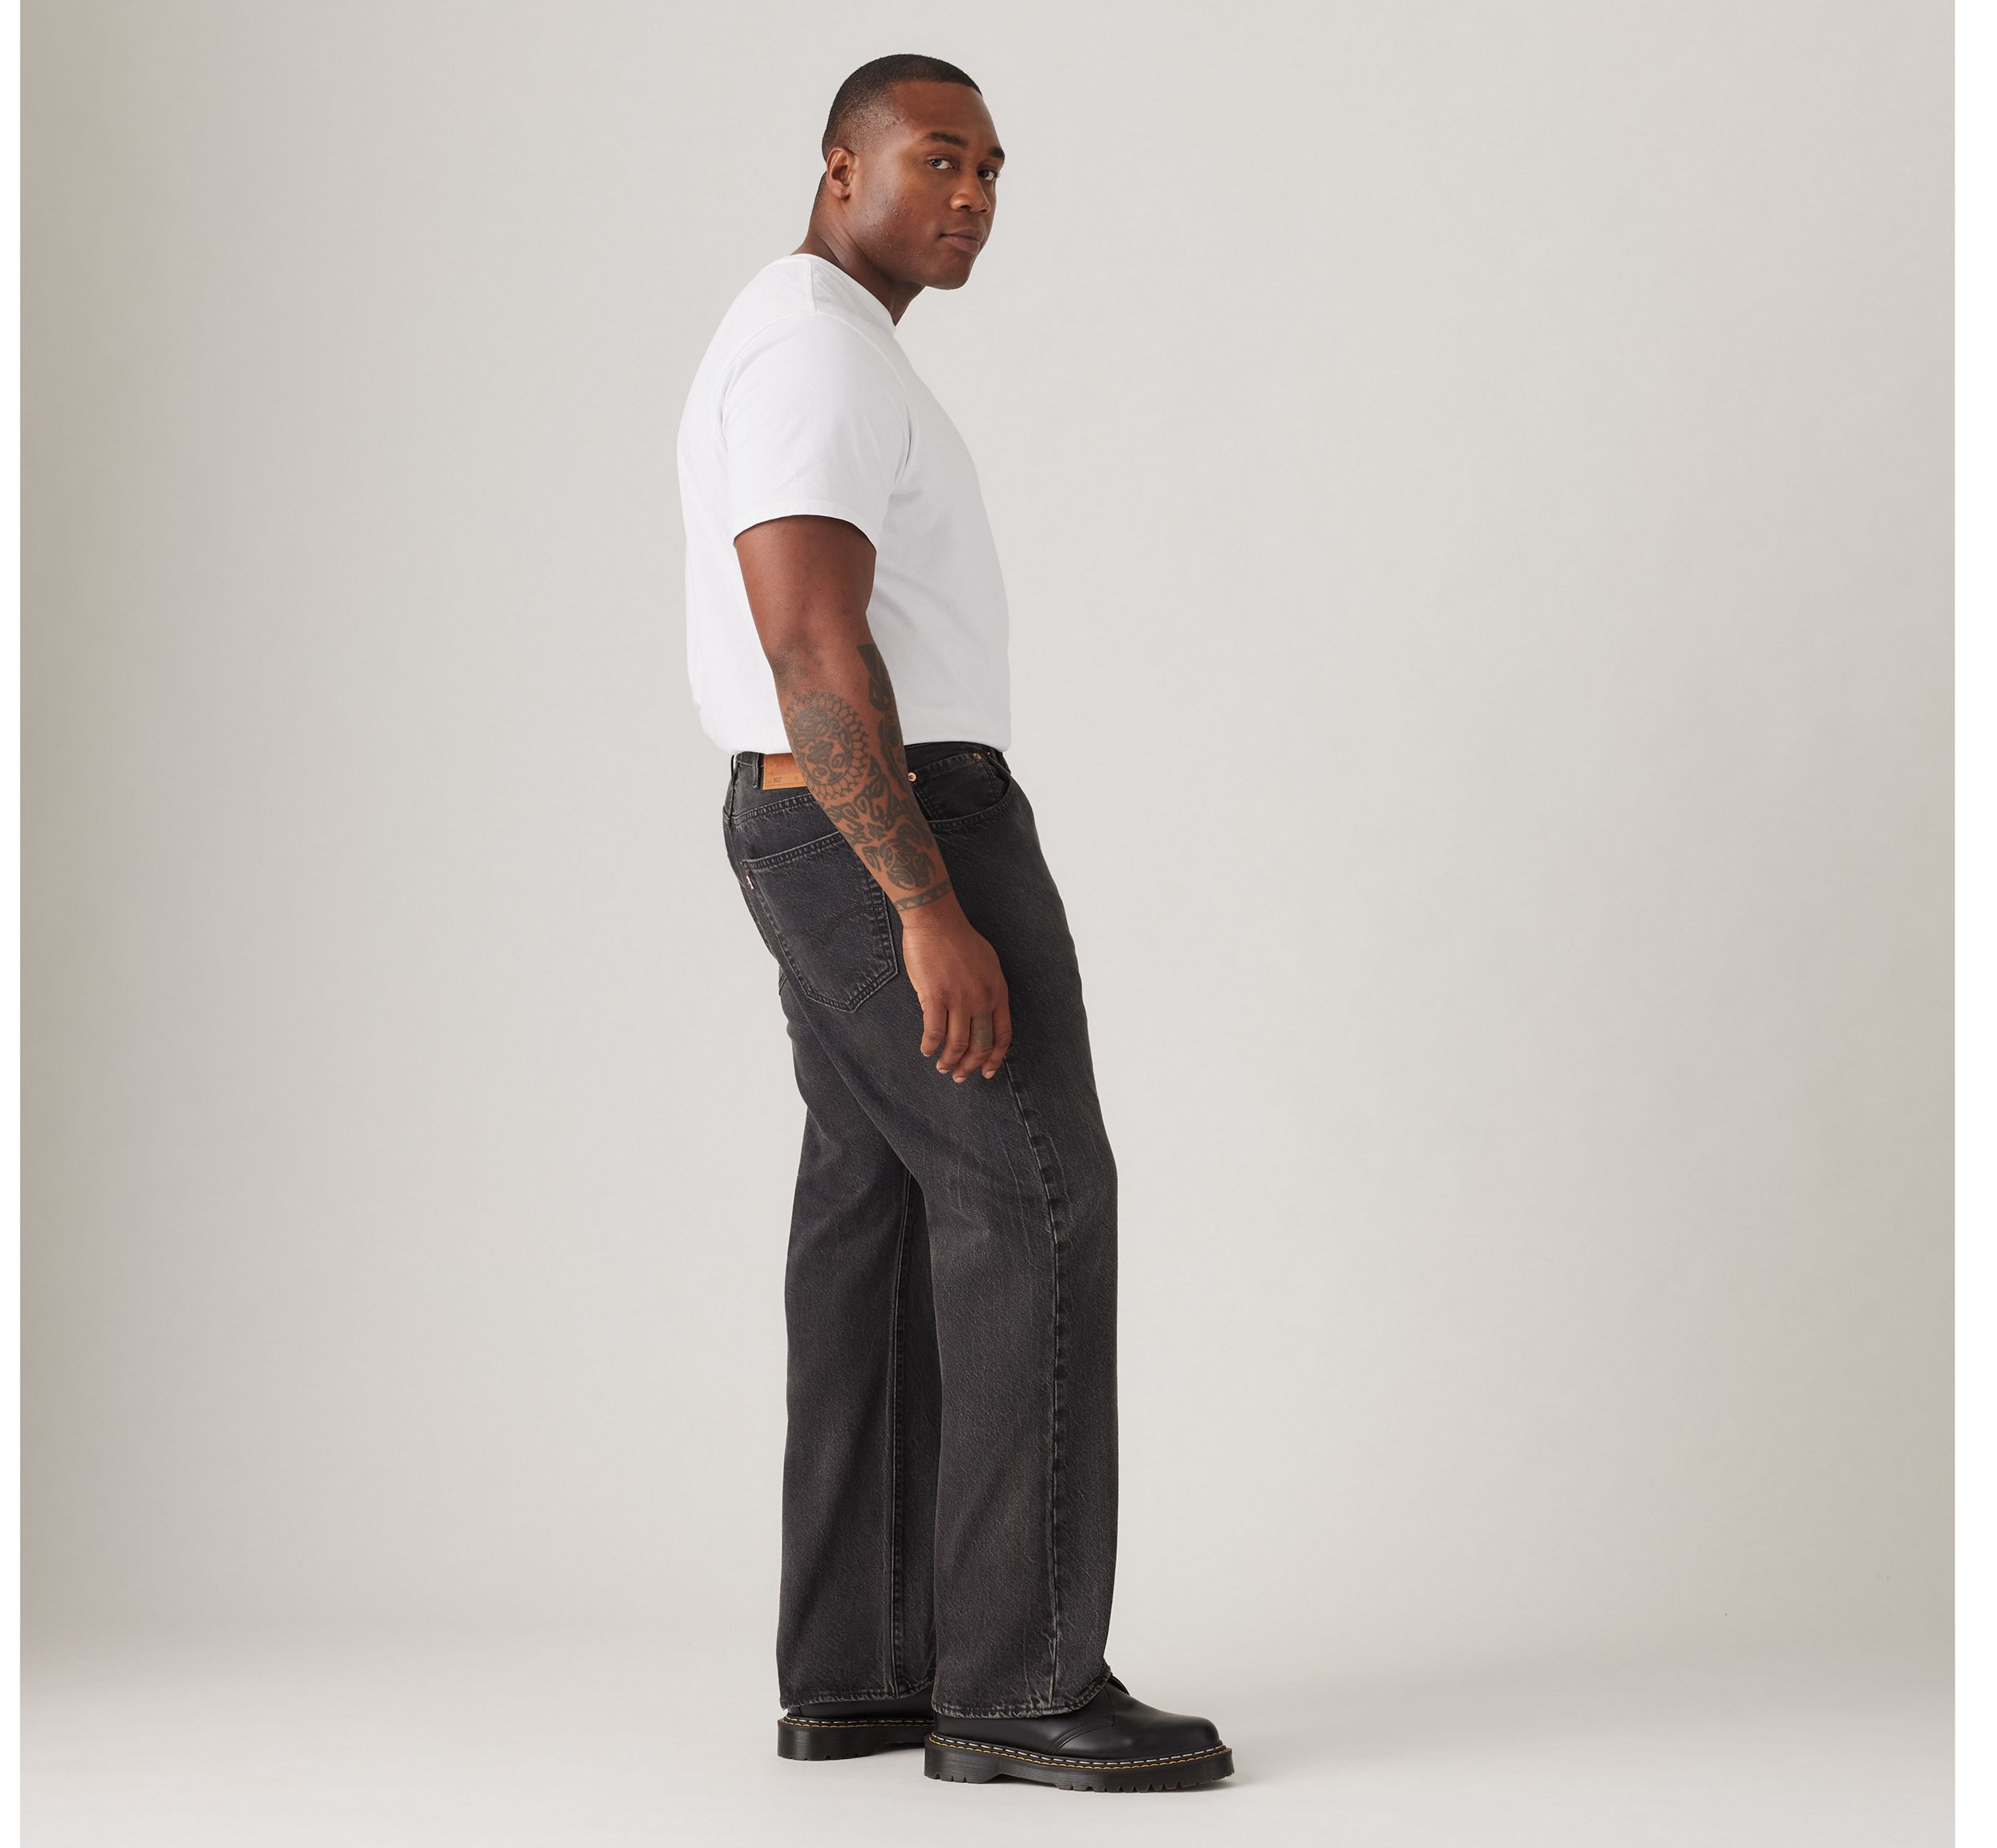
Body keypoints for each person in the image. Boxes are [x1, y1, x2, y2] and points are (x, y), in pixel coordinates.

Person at [673, 55, 1234, 1794]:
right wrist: (925, 898)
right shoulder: (812, 351)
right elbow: (810, 641)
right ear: (839, 168)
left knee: (880, 1207)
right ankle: (1016, 1680)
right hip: (893, 820)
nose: (974, 194)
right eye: (937, 158)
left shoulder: (825, 345)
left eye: (992, 167)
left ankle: (860, 1668)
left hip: (840, 815)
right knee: (1033, 1191)